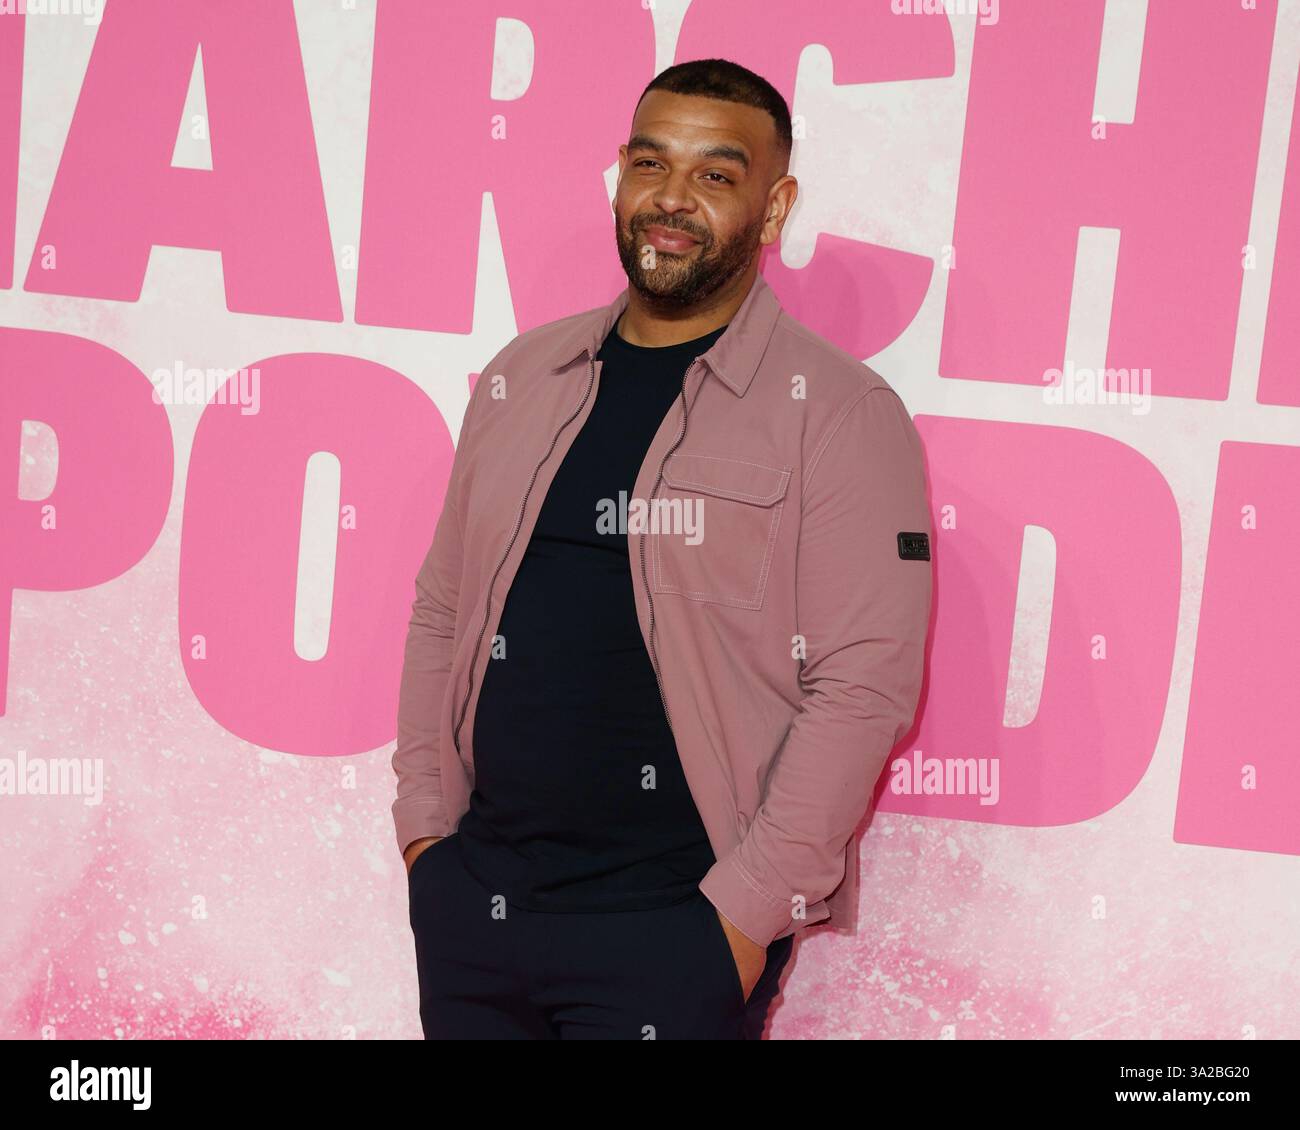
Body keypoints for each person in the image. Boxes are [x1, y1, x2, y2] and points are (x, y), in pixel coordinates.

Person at [393, 57, 933, 1039]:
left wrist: (740, 914)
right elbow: (443, 605)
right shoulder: (524, 375)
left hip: (671, 933)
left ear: (773, 209)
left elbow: (864, 685)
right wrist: (426, 838)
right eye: (651, 163)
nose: (672, 198)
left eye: (717, 176)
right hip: (476, 907)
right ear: (622, 176)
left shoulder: (842, 413)